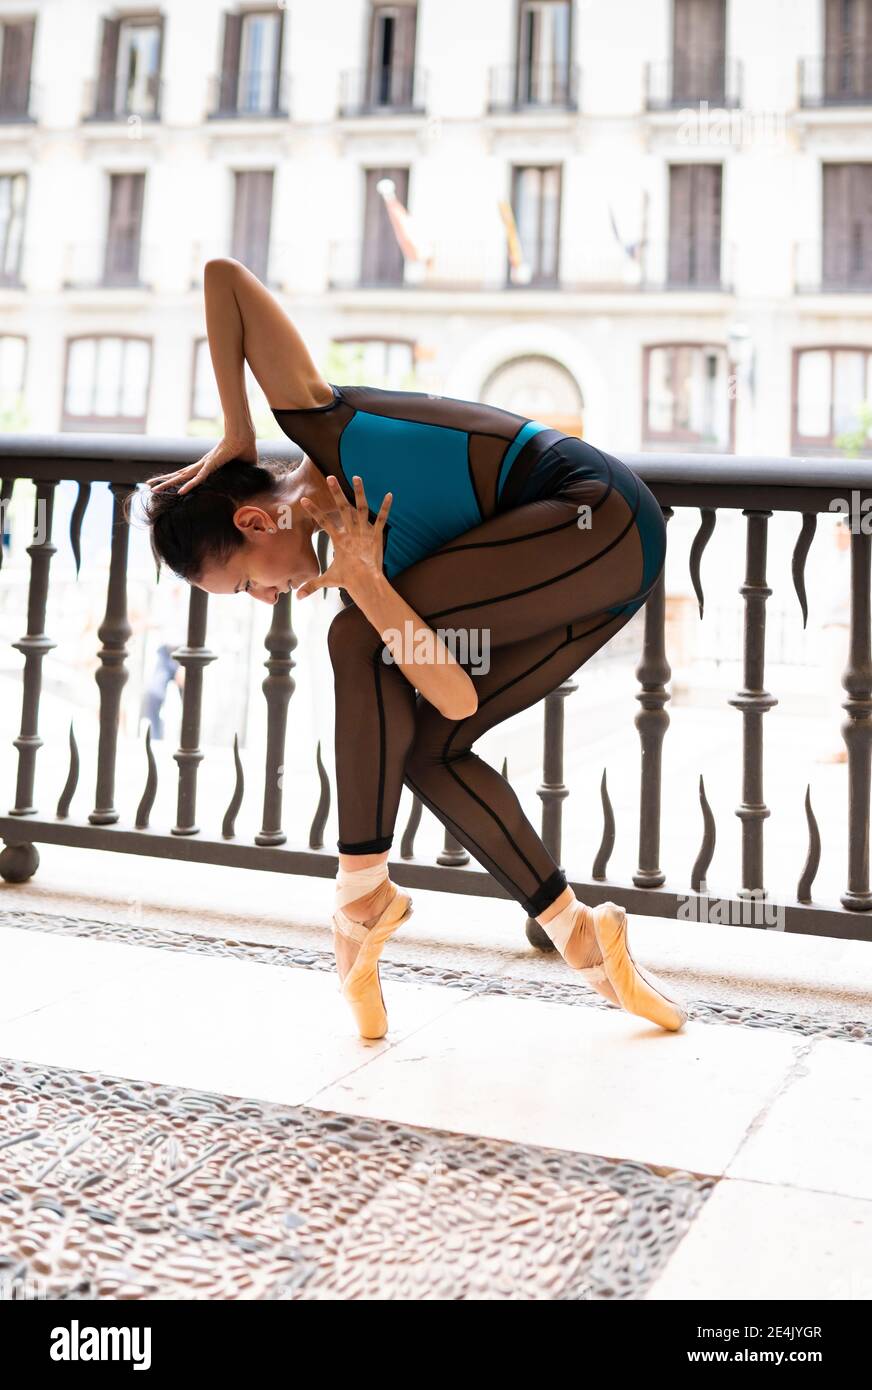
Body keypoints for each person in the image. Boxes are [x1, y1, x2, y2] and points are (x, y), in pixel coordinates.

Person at [139, 256, 687, 1039]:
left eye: (245, 586)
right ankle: (583, 937)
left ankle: (360, 894)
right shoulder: (367, 559)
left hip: (597, 514)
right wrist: (365, 576)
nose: (265, 601)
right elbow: (456, 698)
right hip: (590, 575)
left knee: (355, 631)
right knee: (433, 748)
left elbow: (224, 278)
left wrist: (236, 427)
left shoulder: (320, 424)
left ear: (255, 525)